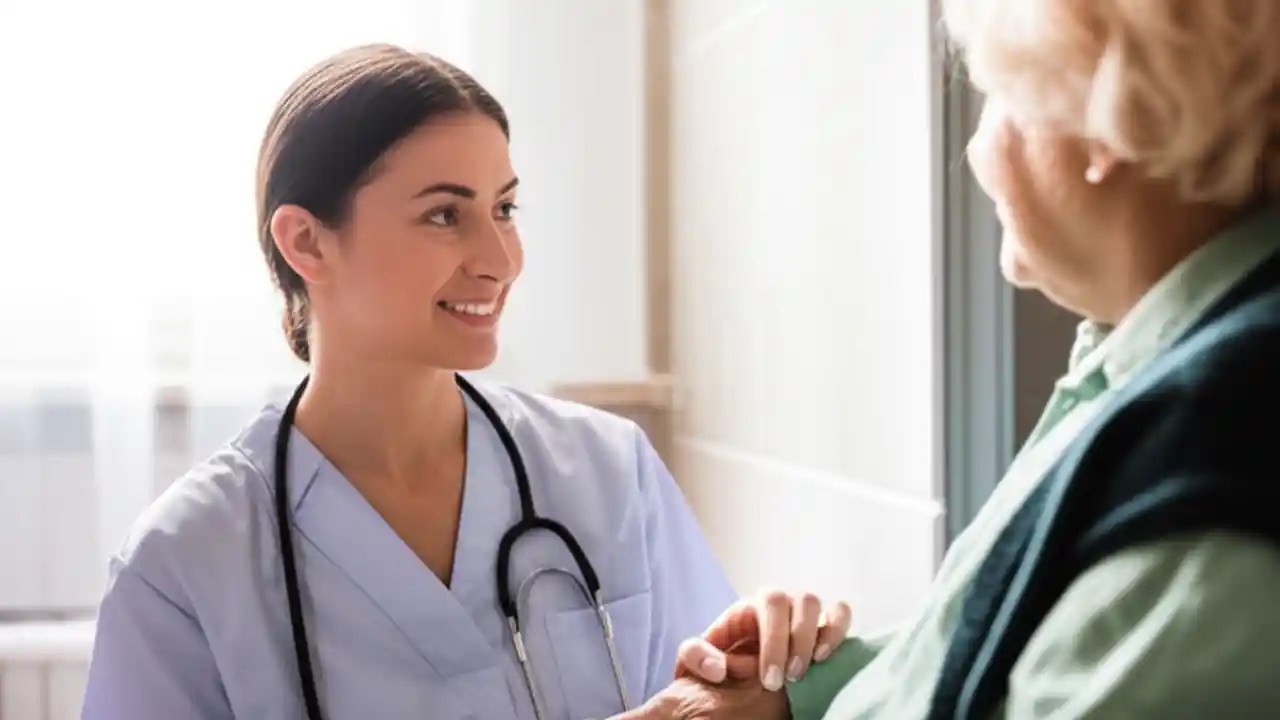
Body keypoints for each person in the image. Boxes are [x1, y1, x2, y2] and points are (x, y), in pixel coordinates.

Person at [80, 45, 851, 720]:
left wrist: (782, 666)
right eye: (445, 215)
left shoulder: (610, 473)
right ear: (308, 241)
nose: (501, 258)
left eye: (505, 208)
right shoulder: (185, 565)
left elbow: (711, 698)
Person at [619, 0, 1280, 717]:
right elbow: (1022, 634)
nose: (974, 150)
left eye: (999, 94)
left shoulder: (1215, 487)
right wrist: (797, 698)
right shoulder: (1148, 375)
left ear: (1107, 110)